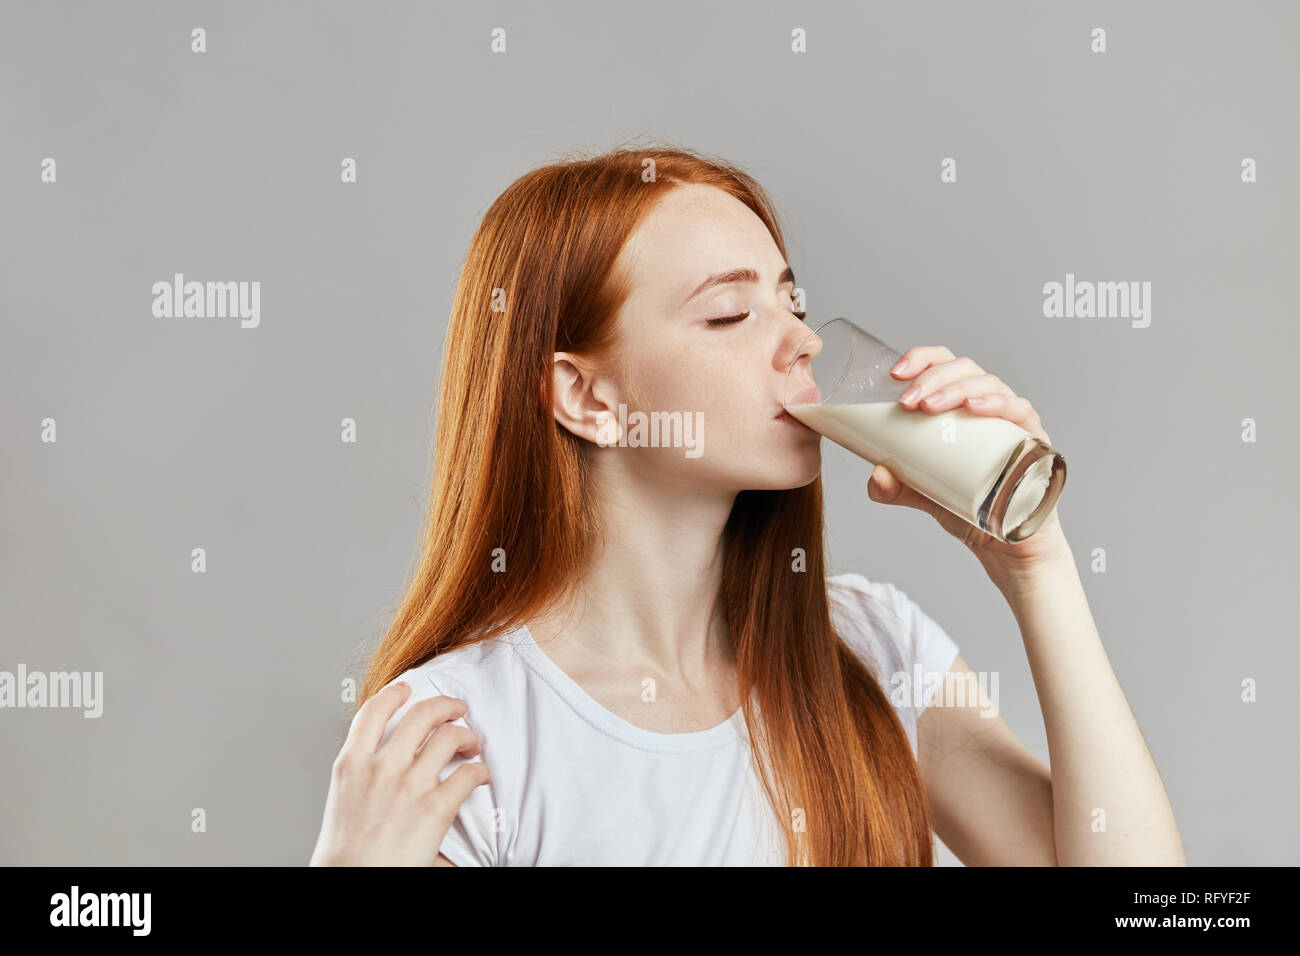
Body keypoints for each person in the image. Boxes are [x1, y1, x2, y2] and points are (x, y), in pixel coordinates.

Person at [308, 142, 1186, 866]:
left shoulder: (873, 654)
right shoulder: (461, 737)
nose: (802, 341)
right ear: (587, 398)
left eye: (791, 300)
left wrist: (1038, 564)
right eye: (730, 314)